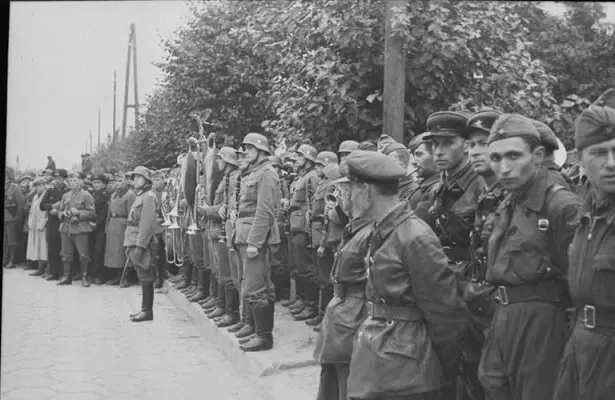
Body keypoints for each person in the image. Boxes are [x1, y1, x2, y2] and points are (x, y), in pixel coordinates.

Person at [342, 151, 470, 400]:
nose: (348, 195)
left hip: (406, 371)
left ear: (366, 191)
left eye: (352, 188)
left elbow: (445, 314)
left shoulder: (414, 237)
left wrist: (441, 370)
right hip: (383, 359)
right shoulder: (382, 230)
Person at [478, 114, 581, 400]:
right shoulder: (509, 200)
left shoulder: (560, 204)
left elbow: (577, 283)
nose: (504, 168)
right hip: (503, 317)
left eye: (513, 156)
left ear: (537, 156)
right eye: (496, 158)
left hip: (545, 323)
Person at [554, 88, 615, 400]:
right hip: (579, 344)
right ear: (580, 160)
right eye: (599, 153)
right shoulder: (584, 214)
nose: (611, 163)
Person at [313, 159, 372, 400]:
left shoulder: (370, 231)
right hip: (343, 316)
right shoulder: (355, 226)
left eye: (346, 189)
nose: (340, 195)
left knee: (347, 383)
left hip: (355, 317)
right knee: (334, 379)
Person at [234, 133, 280, 352]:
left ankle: (264, 337)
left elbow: (265, 210)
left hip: (256, 237)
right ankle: (259, 332)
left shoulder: (267, 173)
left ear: (261, 150)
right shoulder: (253, 172)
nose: (246, 152)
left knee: (254, 288)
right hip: (246, 234)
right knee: (261, 286)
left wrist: (254, 242)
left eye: (250, 148)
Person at [203, 147, 241, 328]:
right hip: (217, 230)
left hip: (223, 230)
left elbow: (226, 209)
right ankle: (223, 305)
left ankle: (231, 311)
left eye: (220, 160)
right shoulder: (226, 179)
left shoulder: (233, 180)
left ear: (227, 161)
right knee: (219, 270)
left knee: (227, 273)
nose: (217, 163)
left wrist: (206, 210)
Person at [302, 151, 339, 328]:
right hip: (317, 234)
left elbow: (328, 218)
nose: (317, 168)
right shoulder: (323, 183)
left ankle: (325, 317)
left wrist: (324, 243)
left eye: (320, 165)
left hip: (325, 235)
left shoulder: (332, 185)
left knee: (326, 280)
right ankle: (321, 313)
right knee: (321, 277)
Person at [287, 144, 321, 321]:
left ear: (308, 159)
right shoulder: (301, 176)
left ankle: (311, 305)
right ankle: (302, 300)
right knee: (298, 266)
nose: (297, 159)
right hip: (296, 224)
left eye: (300, 156)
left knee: (306, 268)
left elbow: (316, 200)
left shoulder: (312, 176)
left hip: (304, 226)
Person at [124, 166, 160, 323]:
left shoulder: (149, 197)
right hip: (133, 239)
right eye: (134, 177)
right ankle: (145, 309)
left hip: (141, 242)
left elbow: (147, 224)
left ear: (147, 180)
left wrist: (140, 245)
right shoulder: (141, 196)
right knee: (142, 274)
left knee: (146, 275)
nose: (135, 180)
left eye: (139, 177)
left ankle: (147, 311)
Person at [57, 172, 96, 287]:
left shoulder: (86, 195)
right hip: (66, 228)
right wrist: (63, 214)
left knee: (83, 255)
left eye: (74, 180)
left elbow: (92, 213)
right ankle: (66, 276)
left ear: (80, 181)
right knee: (66, 254)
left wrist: (78, 213)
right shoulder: (65, 195)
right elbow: (60, 210)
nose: (72, 183)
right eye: (70, 181)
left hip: (80, 228)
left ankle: (84, 277)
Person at [104, 173, 136, 286]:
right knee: (114, 253)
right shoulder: (113, 195)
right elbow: (109, 213)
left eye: (120, 180)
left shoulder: (130, 195)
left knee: (124, 251)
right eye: (116, 181)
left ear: (125, 181)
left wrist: (130, 229)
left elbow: (132, 214)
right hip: (113, 224)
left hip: (123, 224)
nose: (118, 183)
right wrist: (107, 226)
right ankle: (118, 277)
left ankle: (126, 277)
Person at [39, 168, 68, 280]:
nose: (57, 180)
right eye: (55, 178)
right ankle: (53, 272)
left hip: (63, 222)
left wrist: (60, 209)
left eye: (59, 178)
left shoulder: (67, 190)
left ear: (64, 179)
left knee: (64, 248)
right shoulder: (50, 190)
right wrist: (51, 207)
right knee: (52, 247)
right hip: (52, 222)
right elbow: (42, 205)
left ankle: (63, 273)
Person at [407, 132, 439, 213]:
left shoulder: (438, 189)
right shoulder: (426, 184)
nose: (413, 161)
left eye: (419, 154)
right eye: (414, 155)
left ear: (436, 155)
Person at [26, 177, 49, 276]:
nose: (38, 188)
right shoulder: (35, 197)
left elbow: (47, 212)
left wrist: (43, 223)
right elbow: (31, 211)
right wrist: (30, 223)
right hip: (34, 224)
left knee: (44, 247)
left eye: (40, 185)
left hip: (43, 224)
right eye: (36, 186)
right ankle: (39, 267)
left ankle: (45, 268)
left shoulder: (46, 195)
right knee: (36, 246)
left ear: (44, 185)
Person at [89, 174, 110, 284]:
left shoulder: (107, 195)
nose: (96, 185)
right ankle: (93, 273)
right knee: (92, 251)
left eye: (98, 183)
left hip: (102, 227)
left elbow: (104, 212)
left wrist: (96, 223)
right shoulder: (92, 194)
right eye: (94, 183)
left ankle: (100, 275)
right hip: (91, 226)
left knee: (99, 251)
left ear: (104, 184)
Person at [4, 167, 25, 269]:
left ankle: (12, 260)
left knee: (11, 240)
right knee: (5, 241)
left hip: (11, 218)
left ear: (8, 176)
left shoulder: (15, 187)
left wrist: (18, 218)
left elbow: (20, 204)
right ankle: (5, 259)